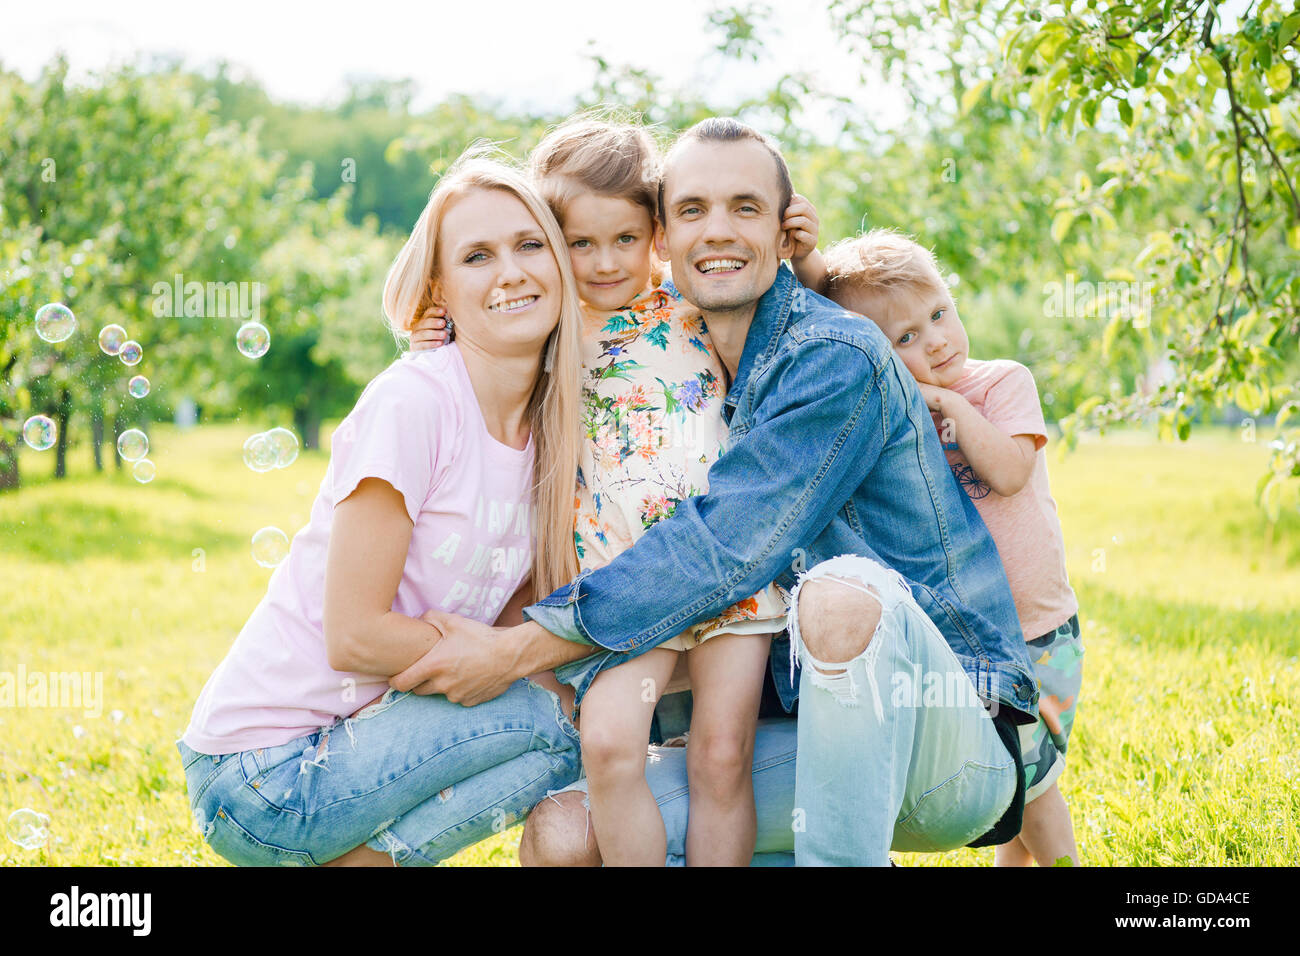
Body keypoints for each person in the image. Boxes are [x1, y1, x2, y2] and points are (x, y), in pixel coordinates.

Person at [395, 118, 1041, 866]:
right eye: (693, 210)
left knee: (838, 594)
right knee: (567, 835)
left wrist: (513, 651)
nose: (718, 232)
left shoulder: (833, 356)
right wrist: (446, 337)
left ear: (782, 230)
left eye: (745, 207)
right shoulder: (672, 333)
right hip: (804, 722)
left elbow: (724, 547)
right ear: (666, 235)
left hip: (944, 733)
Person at [175, 150, 595, 866]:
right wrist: (497, 659)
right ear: (441, 290)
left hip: (357, 742)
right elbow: (356, 638)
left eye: (530, 245)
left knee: (577, 729)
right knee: (563, 722)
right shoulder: (416, 404)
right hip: (264, 772)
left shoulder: (549, 433)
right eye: (477, 257)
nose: (512, 273)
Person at [412, 117, 799, 865]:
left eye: (624, 238)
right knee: (612, 747)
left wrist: (802, 254)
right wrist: (442, 326)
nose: (602, 262)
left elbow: (789, 313)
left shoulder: (693, 307)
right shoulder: (548, 333)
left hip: (725, 574)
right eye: (578, 243)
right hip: (617, 590)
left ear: (656, 232)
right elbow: (473, 355)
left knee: (722, 757)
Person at [815, 227, 1083, 867]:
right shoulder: (897, 414)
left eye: (939, 314)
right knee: (1014, 779)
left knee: (1034, 783)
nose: (935, 341)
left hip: (1044, 626)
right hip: (974, 632)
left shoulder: (1001, 383)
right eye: (905, 338)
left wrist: (953, 409)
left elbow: (1011, 472)